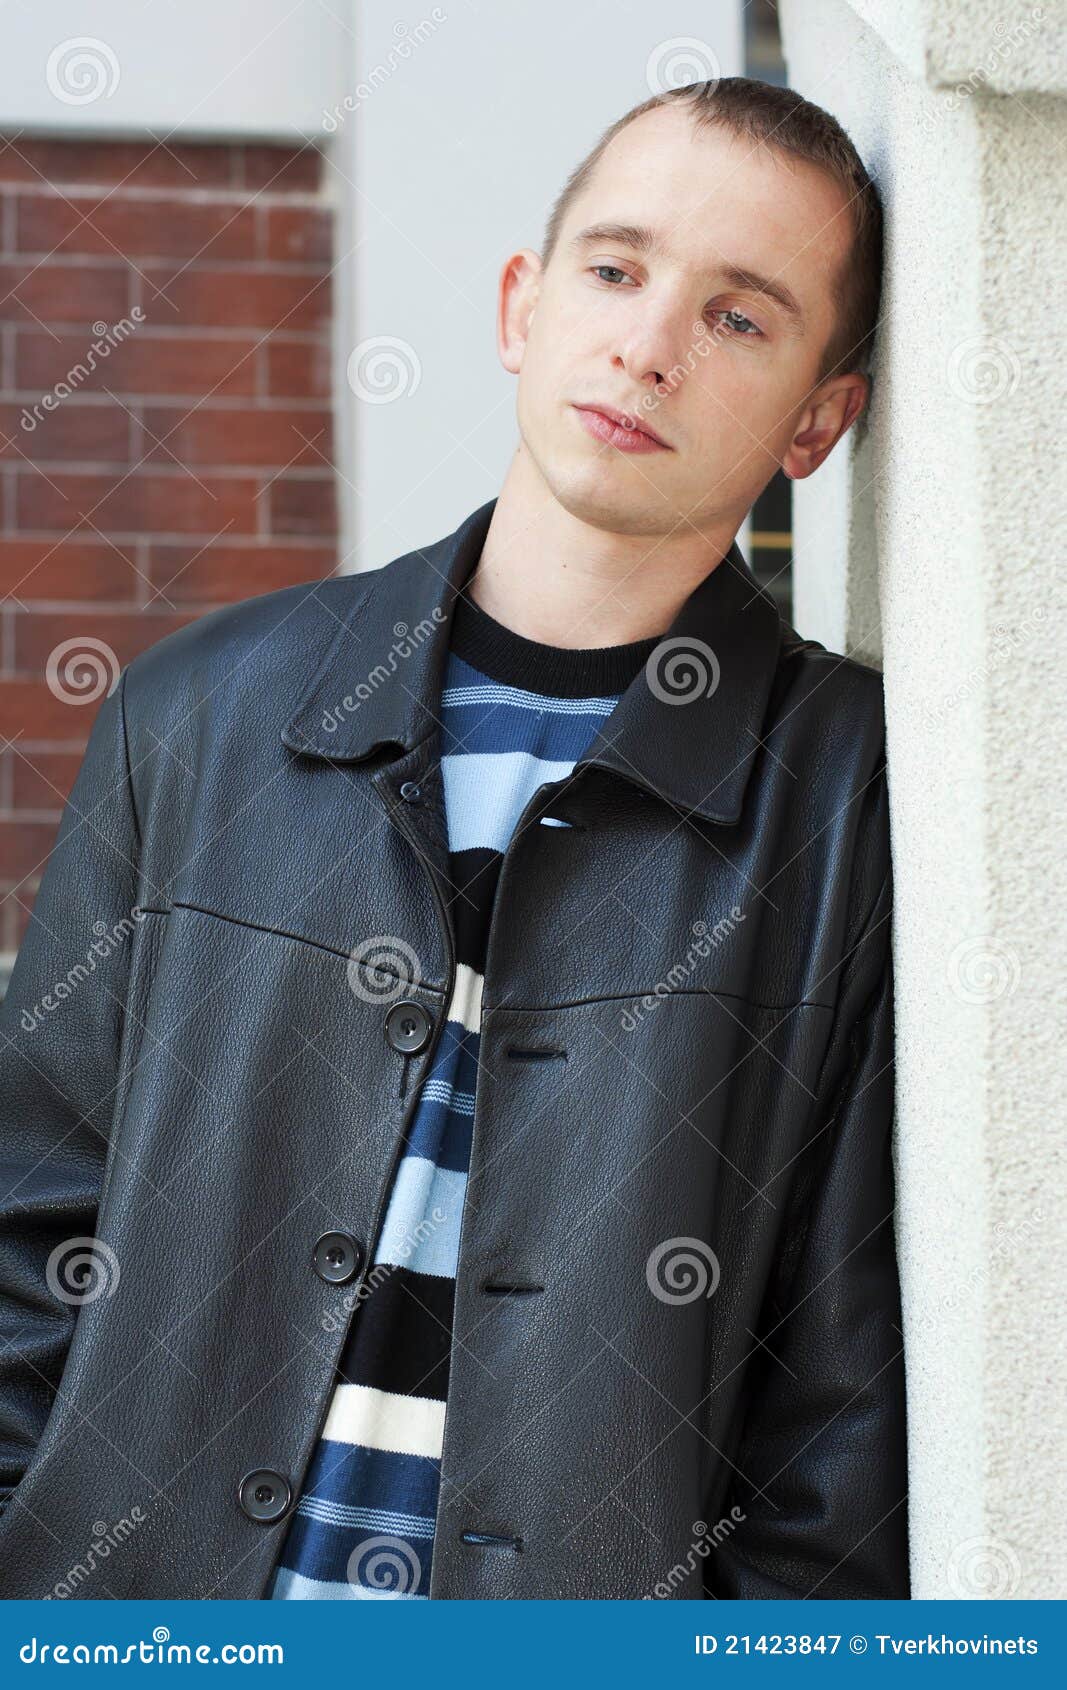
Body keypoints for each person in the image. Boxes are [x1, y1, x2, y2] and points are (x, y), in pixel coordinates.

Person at [0, 77, 908, 1601]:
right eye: (615, 271)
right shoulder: (203, 715)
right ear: (522, 305)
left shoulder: (848, 803)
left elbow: (846, 1408)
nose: (648, 344)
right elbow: (32, 1223)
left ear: (819, 418)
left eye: (740, 318)